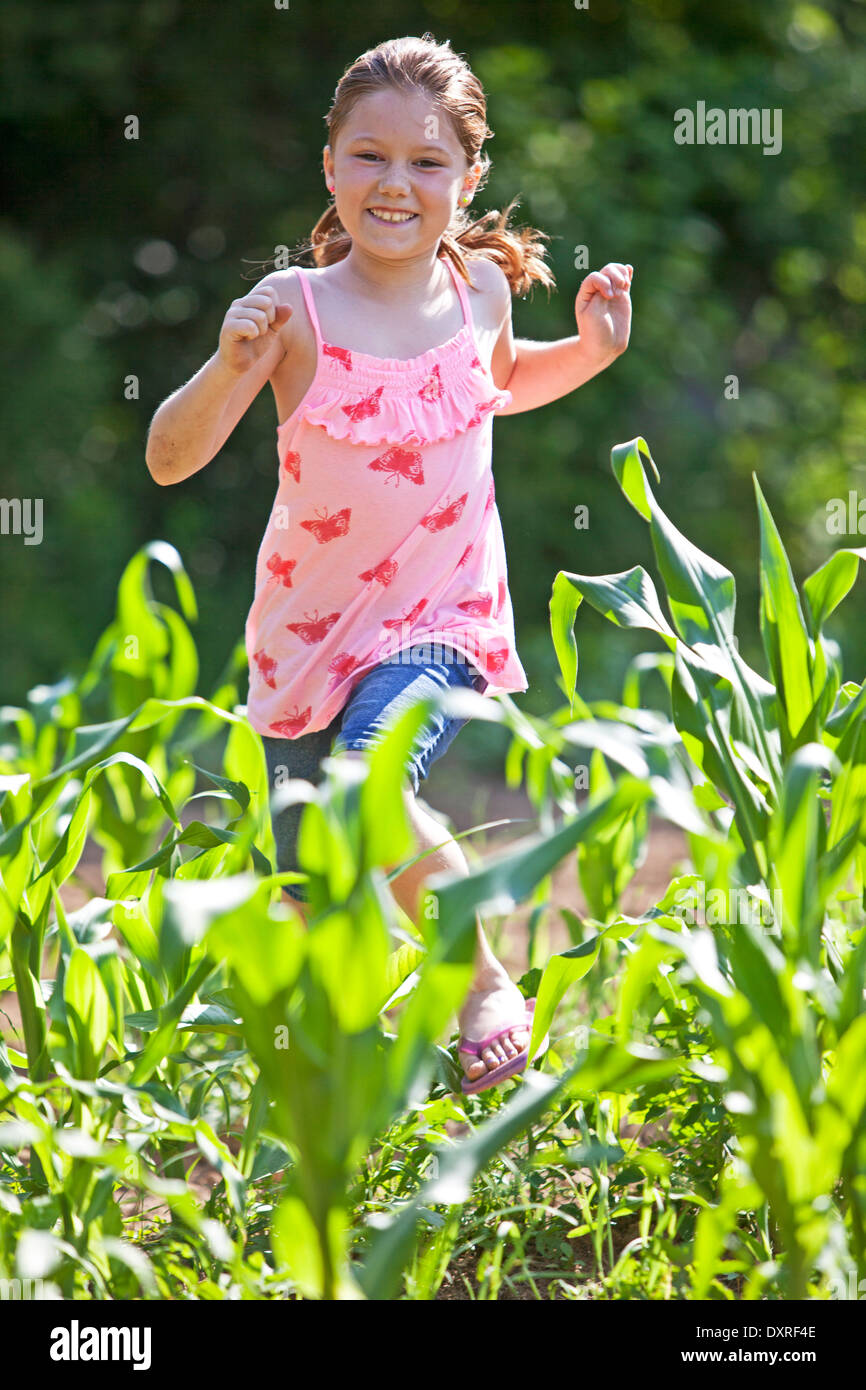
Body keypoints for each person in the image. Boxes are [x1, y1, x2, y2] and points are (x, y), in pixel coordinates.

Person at [145, 32, 632, 1092]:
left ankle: (483, 983)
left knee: (370, 792)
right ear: (329, 167)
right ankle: (354, 1100)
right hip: (302, 642)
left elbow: (498, 383)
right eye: (368, 156)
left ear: (467, 180)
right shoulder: (292, 310)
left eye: (425, 162)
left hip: (440, 618)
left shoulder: (478, 296)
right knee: (314, 892)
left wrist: (588, 352)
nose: (395, 183)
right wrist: (229, 366)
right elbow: (171, 460)